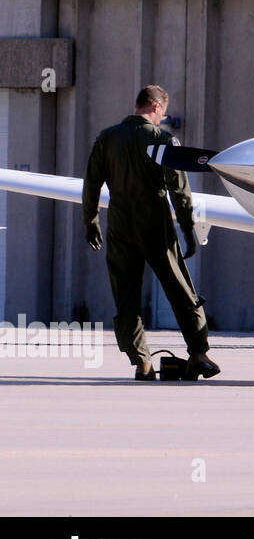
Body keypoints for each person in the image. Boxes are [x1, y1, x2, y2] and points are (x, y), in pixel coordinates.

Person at [82, 85, 220, 381]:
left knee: (126, 295)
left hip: (119, 224)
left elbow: (91, 182)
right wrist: (188, 229)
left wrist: (90, 220)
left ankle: (142, 363)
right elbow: (180, 191)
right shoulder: (163, 139)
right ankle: (198, 354)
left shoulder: (107, 138)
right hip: (154, 223)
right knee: (180, 288)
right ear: (157, 107)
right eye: (162, 113)